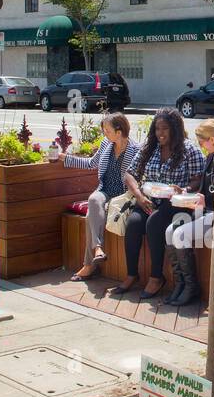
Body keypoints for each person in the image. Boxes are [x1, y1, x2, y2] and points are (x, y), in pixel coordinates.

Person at [120, 108, 204, 299]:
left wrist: (184, 190)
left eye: (164, 129)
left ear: (175, 128)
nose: (160, 133)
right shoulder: (150, 147)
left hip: (177, 203)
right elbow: (130, 174)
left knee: (154, 223)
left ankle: (156, 277)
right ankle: (132, 274)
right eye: (157, 129)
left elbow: (197, 180)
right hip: (149, 200)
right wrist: (139, 196)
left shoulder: (189, 150)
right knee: (133, 223)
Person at [52, 113, 140, 281]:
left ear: (119, 132)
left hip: (122, 197)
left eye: (107, 130)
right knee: (93, 199)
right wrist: (65, 159)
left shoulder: (136, 150)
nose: (104, 133)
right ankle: (98, 248)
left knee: (88, 218)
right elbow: (91, 163)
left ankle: (89, 265)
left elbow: (137, 178)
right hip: (105, 191)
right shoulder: (107, 143)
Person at [163, 119, 214, 306]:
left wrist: (202, 202)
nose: (201, 146)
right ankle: (181, 283)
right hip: (205, 211)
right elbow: (204, 190)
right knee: (170, 230)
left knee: (179, 234)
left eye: (202, 142)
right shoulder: (211, 157)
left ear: (212, 139)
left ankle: (191, 286)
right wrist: (186, 193)